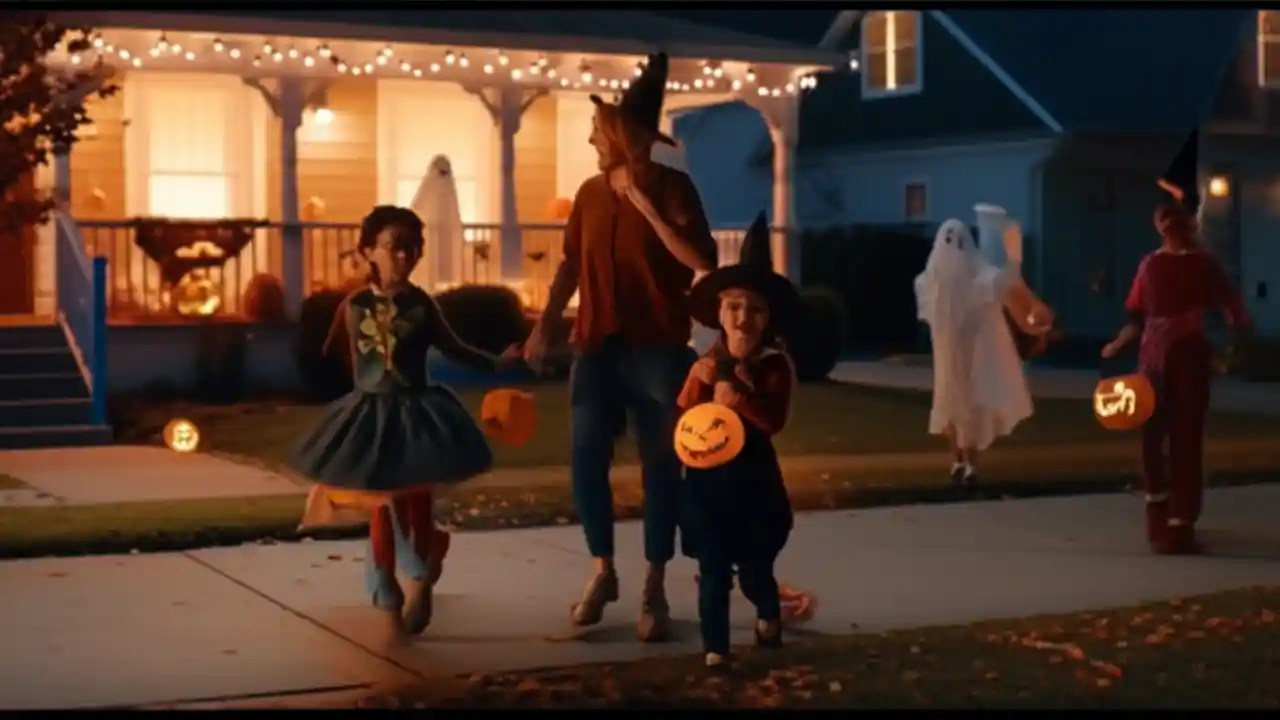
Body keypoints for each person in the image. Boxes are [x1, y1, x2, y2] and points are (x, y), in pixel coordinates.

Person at [522, 52, 719, 642]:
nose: (590, 138)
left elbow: (703, 260)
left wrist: (649, 210)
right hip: (596, 348)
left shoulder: (673, 189)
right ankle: (602, 569)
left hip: (658, 349)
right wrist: (544, 324)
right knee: (586, 456)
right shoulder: (587, 195)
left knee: (661, 468)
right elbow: (569, 266)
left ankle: (654, 585)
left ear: (624, 135)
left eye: (597, 129)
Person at [290, 205, 521, 637]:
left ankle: (419, 575)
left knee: (413, 499)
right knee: (382, 501)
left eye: (413, 247)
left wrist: (497, 362)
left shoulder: (421, 305)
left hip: (416, 414)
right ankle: (386, 582)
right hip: (370, 413)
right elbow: (339, 356)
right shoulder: (353, 306)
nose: (405, 255)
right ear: (368, 251)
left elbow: (455, 348)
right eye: (395, 246)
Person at [1100, 130, 1250, 555]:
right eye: (1171, 224)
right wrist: (1118, 344)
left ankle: (1175, 522)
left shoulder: (1189, 265)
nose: (1173, 231)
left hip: (1177, 355)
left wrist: (1234, 341)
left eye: (1176, 224)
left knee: (1174, 436)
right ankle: (1167, 519)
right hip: (1165, 357)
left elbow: (1230, 307)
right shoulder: (1160, 266)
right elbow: (1139, 315)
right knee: (1164, 436)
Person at [678, 211, 798, 668]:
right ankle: (716, 648)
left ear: (768, 318)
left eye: (755, 310)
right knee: (711, 567)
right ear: (719, 313)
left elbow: (772, 421)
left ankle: (767, 611)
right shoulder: (708, 362)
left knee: (752, 568)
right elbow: (684, 419)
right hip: (708, 479)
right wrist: (696, 382)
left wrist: (739, 398)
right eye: (734, 308)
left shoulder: (773, 365)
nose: (743, 319)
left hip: (753, 482)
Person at [914, 207, 1054, 486]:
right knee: (954, 407)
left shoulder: (970, 280)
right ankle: (959, 461)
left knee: (967, 408)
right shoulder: (936, 283)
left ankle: (967, 463)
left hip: (970, 359)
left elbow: (1003, 283)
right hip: (950, 359)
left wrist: (1013, 254)